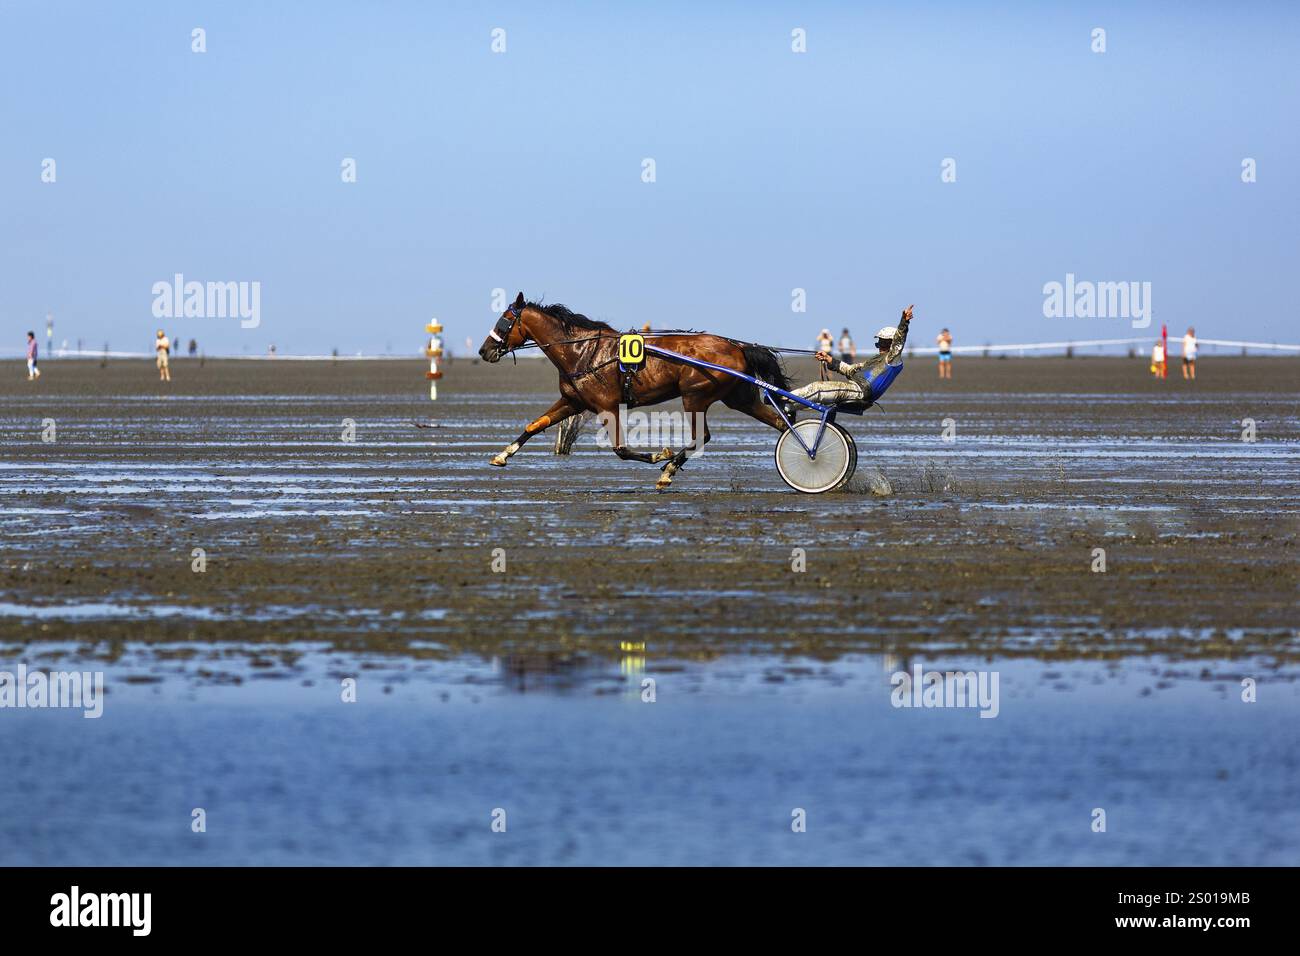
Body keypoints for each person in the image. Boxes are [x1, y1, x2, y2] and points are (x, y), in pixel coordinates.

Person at [787, 306, 912, 414]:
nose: (880, 346)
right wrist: (829, 359)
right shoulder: (874, 361)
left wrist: (904, 322)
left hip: (859, 391)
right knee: (816, 395)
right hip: (855, 388)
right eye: (879, 343)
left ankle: (785, 398)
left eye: (883, 343)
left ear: (890, 343)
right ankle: (788, 407)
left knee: (817, 388)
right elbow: (850, 370)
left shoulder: (892, 358)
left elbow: (898, 342)